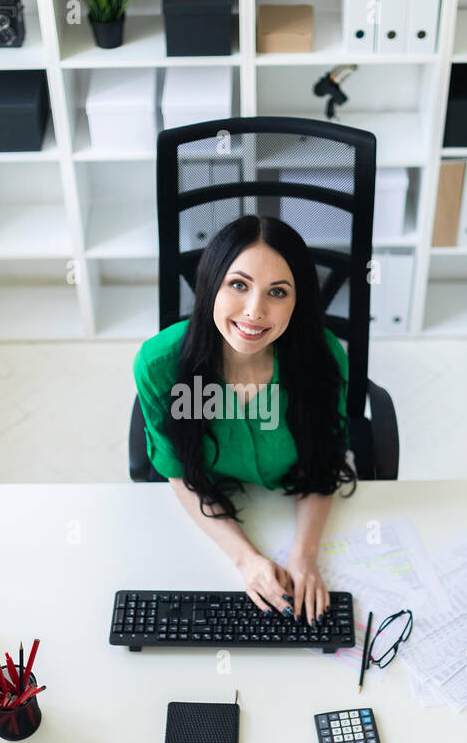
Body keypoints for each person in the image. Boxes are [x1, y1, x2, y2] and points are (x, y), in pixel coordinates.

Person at [133, 215, 356, 623]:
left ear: (297, 301)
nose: (255, 311)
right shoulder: (160, 365)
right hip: (212, 509)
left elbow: (322, 464)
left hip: (288, 504)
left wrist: (304, 557)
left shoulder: (323, 359)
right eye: (238, 284)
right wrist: (246, 561)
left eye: (278, 292)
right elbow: (179, 473)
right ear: (211, 285)